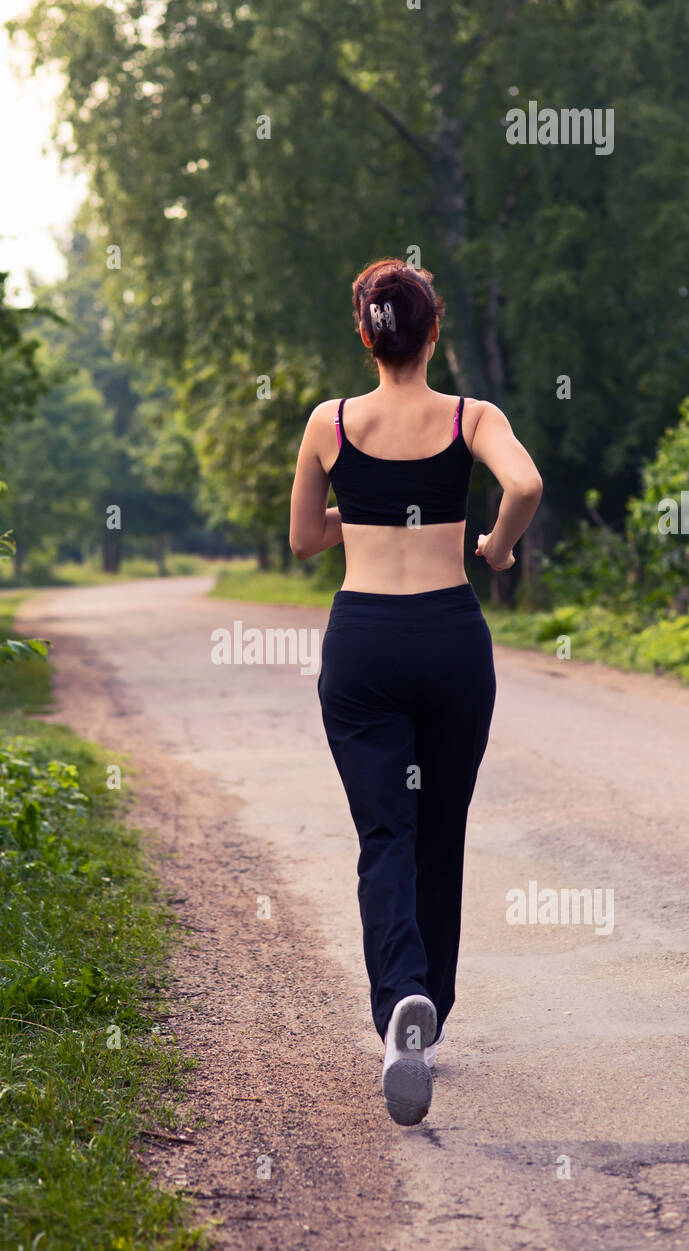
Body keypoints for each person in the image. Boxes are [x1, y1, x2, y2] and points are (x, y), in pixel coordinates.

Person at [289, 258, 542, 1125]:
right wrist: (499, 548)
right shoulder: (472, 417)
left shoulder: (330, 423)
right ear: (431, 333)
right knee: (440, 830)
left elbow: (301, 539)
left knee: (382, 834)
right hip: (449, 645)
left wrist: (358, 510)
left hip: (363, 646)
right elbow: (525, 485)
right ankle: (428, 1009)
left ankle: (401, 995)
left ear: (365, 338)